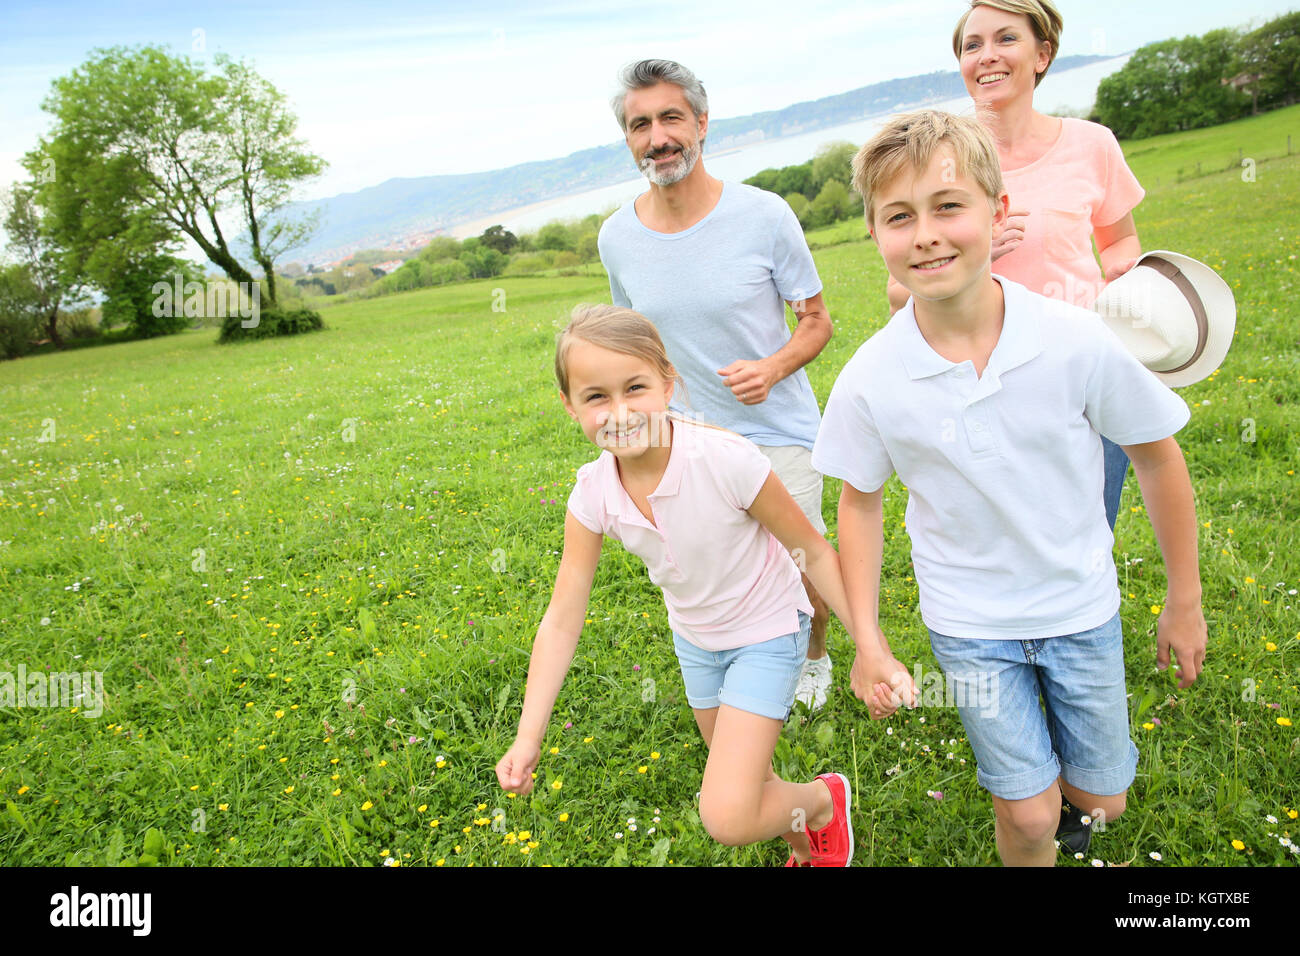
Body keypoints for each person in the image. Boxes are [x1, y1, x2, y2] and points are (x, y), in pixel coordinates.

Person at [816, 110, 1207, 865]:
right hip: (969, 624)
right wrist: (868, 640)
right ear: (875, 235)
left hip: (1079, 606)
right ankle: (1029, 809)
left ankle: (1069, 788)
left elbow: (1157, 457)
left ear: (998, 214)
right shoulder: (870, 378)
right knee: (1028, 817)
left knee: (1102, 803)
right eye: (900, 217)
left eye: (948, 206)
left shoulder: (1075, 338)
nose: (925, 233)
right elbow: (859, 502)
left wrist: (1182, 596)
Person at [495, 304, 913, 866]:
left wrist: (871, 645)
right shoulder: (592, 494)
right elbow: (563, 617)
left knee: (728, 813)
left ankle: (821, 802)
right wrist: (529, 736)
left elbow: (811, 550)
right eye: (596, 397)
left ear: (669, 384)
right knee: (751, 776)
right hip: (696, 641)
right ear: (569, 405)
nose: (619, 412)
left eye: (635, 388)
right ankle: (811, 849)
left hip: (768, 628)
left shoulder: (723, 459)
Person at [598, 59, 837, 710]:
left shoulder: (765, 215)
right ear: (629, 140)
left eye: (671, 117)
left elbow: (817, 320)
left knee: (801, 558)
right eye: (640, 124)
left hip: (777, 434)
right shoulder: (616, 237)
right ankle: (744, 664)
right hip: (687, 442)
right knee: (717, 571)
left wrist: (773, 367)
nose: (658, 137)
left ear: (702, 123)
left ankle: (815, 655)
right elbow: (633, 343)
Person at [887, 0, 1146, 530]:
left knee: (1091, 530)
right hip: (981, 385)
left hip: (1084, 371)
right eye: (971, 45)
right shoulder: (939, 159)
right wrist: (975, 258)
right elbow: (897, 293)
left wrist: (1128, 275)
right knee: (999, 539)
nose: (987, 56)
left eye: (1006, 39)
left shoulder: (1091, 144)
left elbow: (1120, 243)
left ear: (1042, 54)